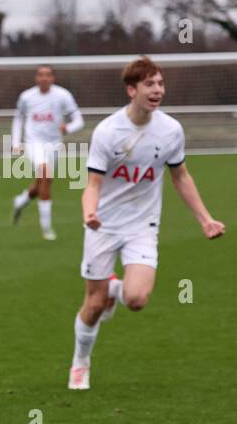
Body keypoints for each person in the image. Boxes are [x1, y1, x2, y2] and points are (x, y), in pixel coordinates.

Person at [68, 56, 225, 390]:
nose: (157, 90)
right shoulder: (108, 132)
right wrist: (89, 213)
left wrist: (205, 219)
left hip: (143, 225)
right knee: (93, 305)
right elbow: (92, 184)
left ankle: (115, 288)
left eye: (160, 83)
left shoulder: (170, 130)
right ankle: (81, 362)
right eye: (149, 84)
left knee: (137, 299)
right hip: (104, 225)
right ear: (131, 90)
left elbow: (181, 177)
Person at [10, 64, 84, 241]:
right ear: (36, 78)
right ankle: (46, 228)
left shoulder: (63, 95)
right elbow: (18, 119)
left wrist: (68, 128)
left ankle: (21, 201)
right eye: (40, 75)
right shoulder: (26, 97)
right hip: (33, 143)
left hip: (54, 144)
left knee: (43, 182)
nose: (44, 78)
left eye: (48, 75)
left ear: (53, 78)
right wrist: (15, 142)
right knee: (45, 174)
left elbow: (79, 120)